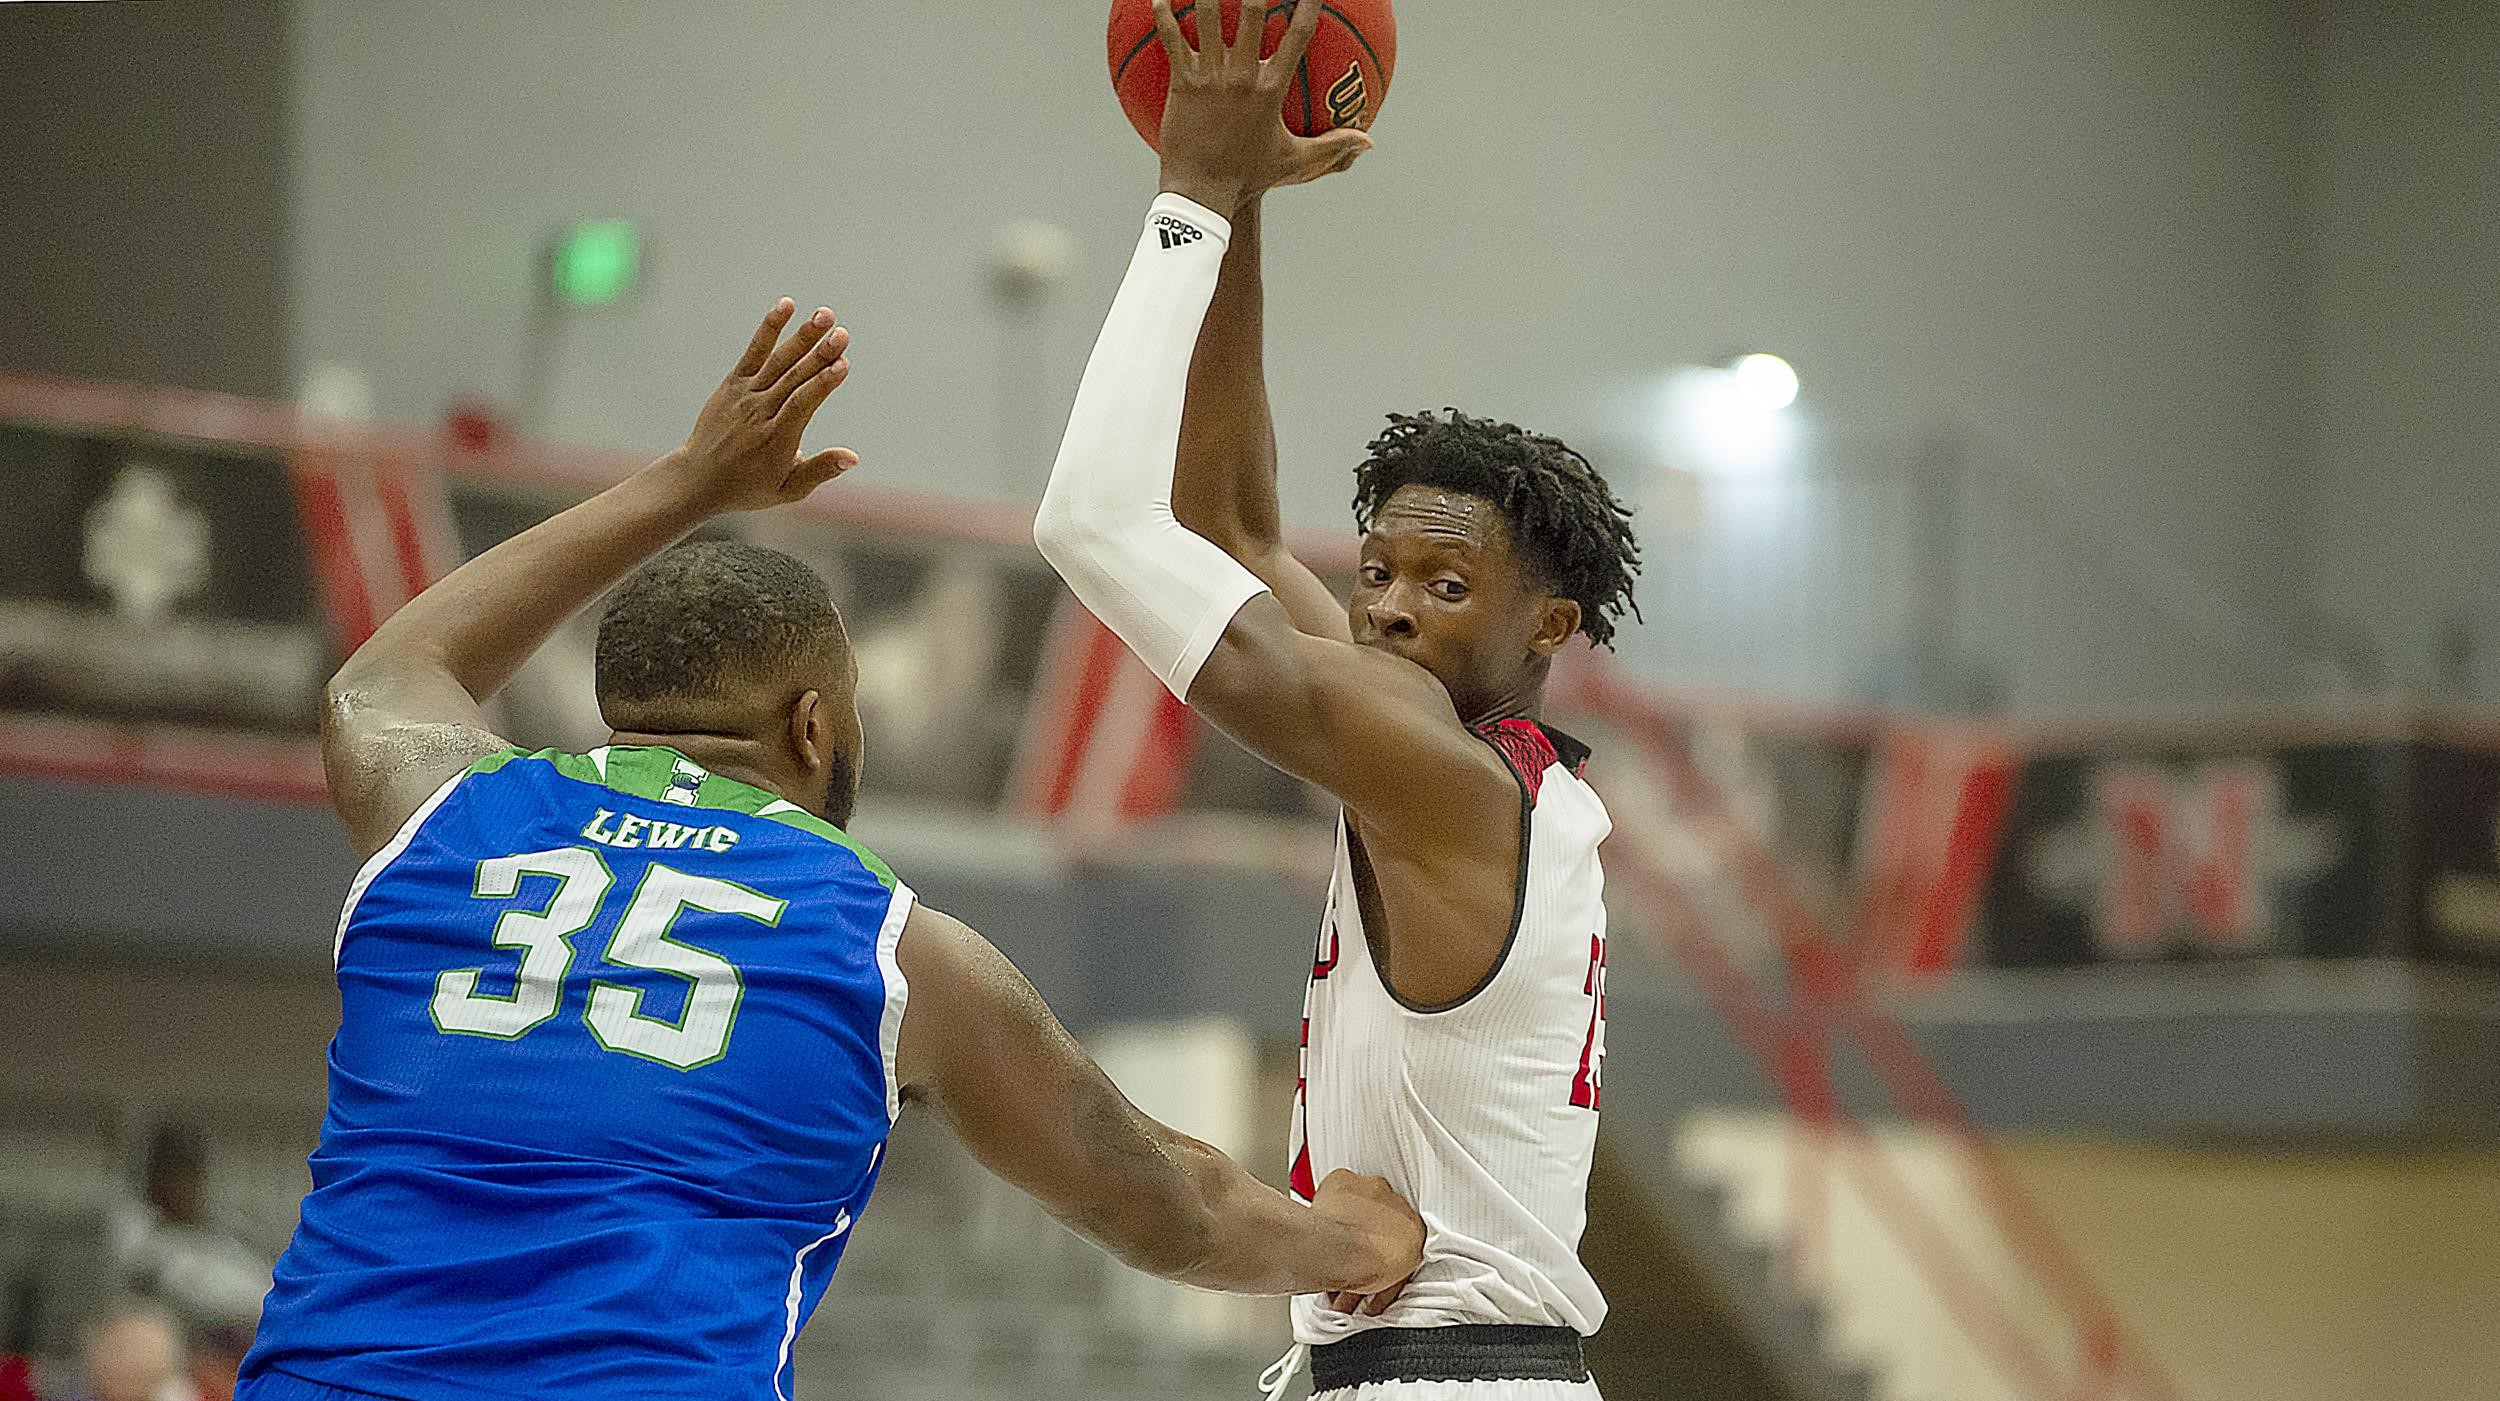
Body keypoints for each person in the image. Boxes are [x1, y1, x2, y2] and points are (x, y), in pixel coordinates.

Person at [236, 301, 1422, 1401]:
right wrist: (1354, 1239)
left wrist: (686, 482)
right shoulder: (893, 951)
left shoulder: (447, 814)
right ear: (814, 724)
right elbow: (1167, 1205)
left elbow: (383, 677)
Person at [1033, 4, 1642, 1397]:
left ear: (1551, 624)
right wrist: (1245, 201)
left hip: (1447, 1371)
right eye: (1377, 572)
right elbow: (1233, 531)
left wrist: (1187, 196)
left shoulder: (1438, 766)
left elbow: (1093, 525)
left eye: (1444, 584)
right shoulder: (1474, 757)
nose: (1386, 607)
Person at [107, 1128, 272, 1335]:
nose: (189, 1190)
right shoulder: (148, 1252)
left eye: (194, 1177)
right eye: (176, 1179)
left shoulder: (225, 1233)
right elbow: (217, 1298)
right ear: (154, 1185)